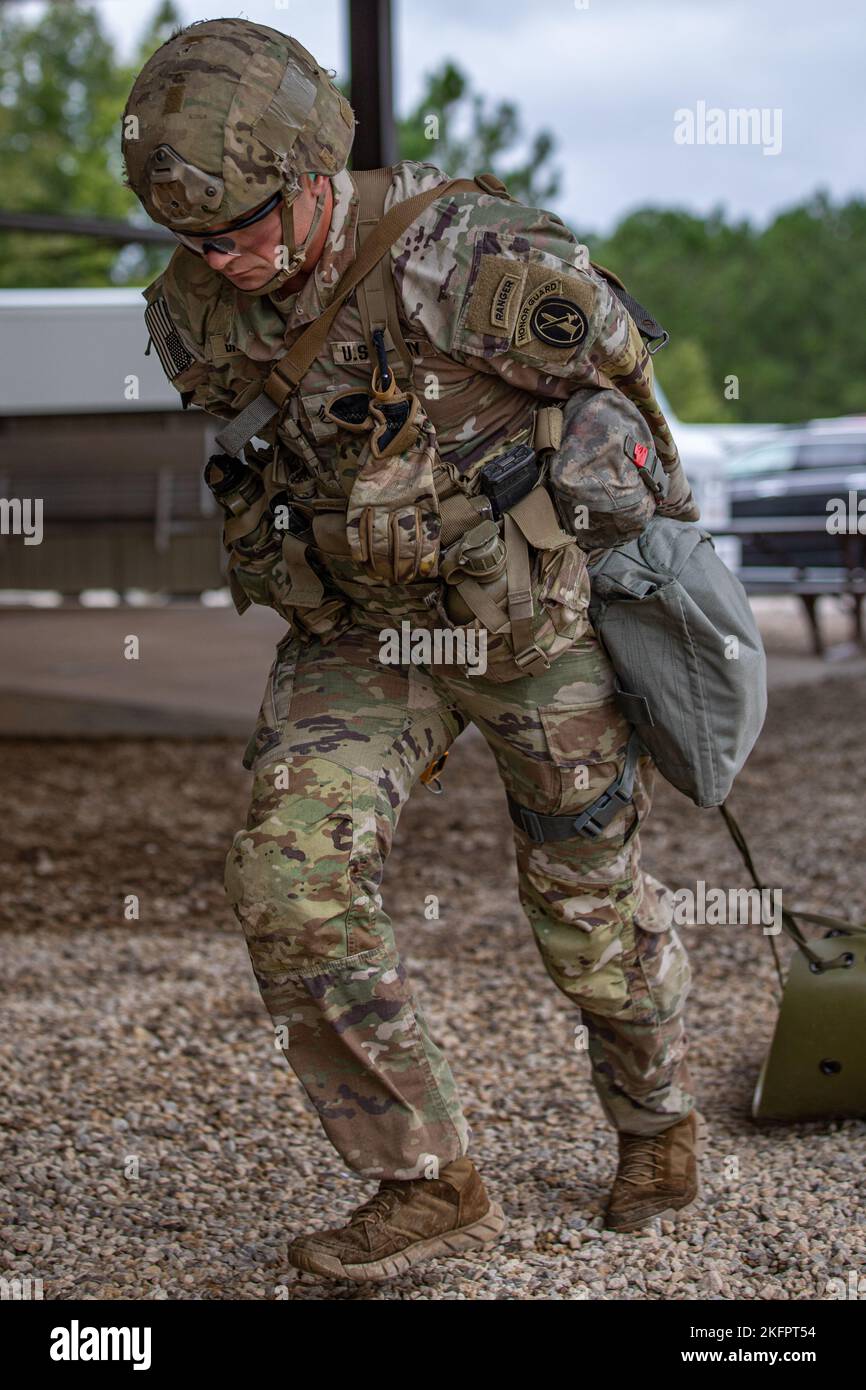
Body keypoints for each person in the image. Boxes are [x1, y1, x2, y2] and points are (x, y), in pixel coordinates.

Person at [122, 17, 706, 1283]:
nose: (224, 258)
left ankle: (655, 1122)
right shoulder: (200, 302)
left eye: (246, 225)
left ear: (314, 169)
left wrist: (553, 501)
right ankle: (422, 1174)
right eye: (196, 238)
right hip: (362, 639)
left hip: (527, 630)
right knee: (287, 873)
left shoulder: (475, 257)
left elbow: (636, 434)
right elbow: (264, 449)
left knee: (587, 913)